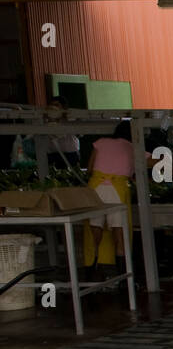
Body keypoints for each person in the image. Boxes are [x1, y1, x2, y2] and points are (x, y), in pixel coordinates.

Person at [82, 120, 135, 274]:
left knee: (95, 228)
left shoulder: (100, 142)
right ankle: (122, 275)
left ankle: (91, 269)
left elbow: (90, 168)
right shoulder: (132, 147)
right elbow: (152, 162)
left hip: (95, 188)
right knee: (119, 232)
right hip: (117, 189)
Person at [48, 96, 81, 169]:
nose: (54, 108)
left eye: (56, 105)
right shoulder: (47, 120)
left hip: (70, 154)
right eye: (52, 105)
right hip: (53, 154)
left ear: (63, 107)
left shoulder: (71, 118)